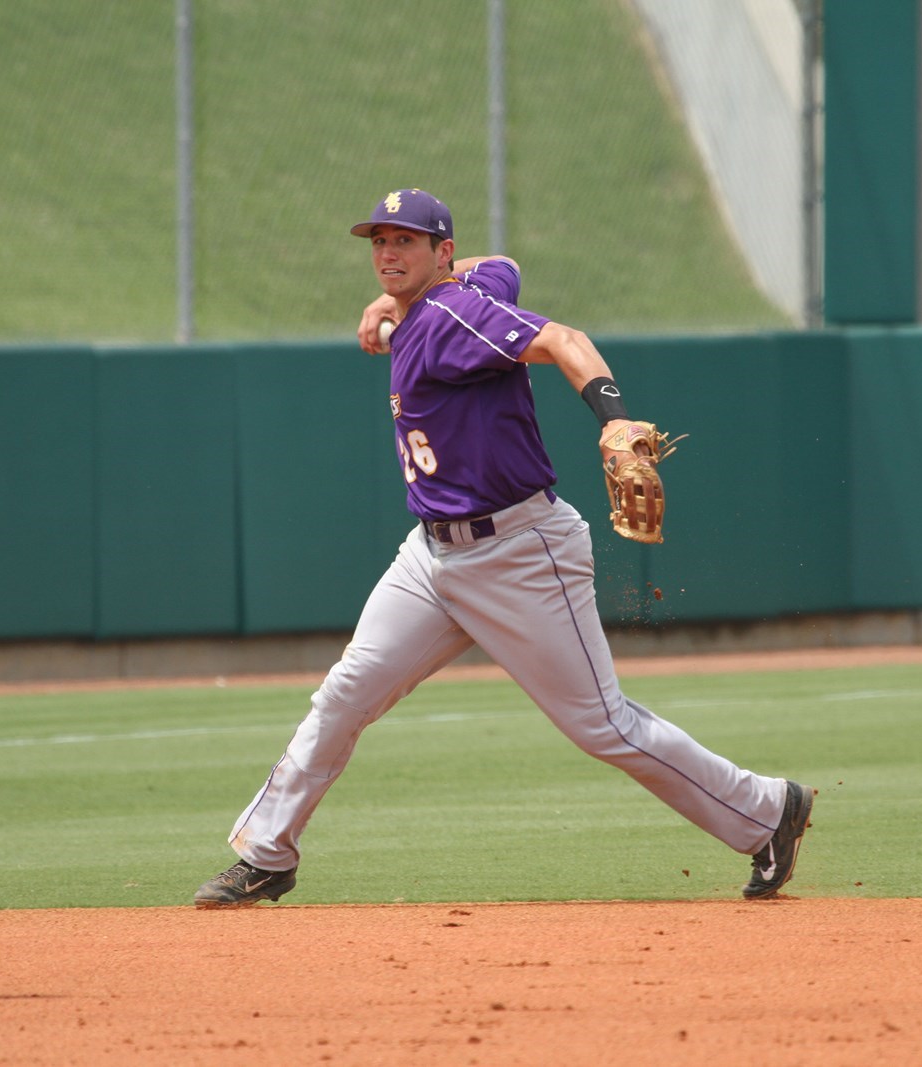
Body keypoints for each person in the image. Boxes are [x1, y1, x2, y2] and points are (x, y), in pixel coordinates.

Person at [195, 189, 813, 908]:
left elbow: (563, 340)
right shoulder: (466, 287)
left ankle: (769, 811)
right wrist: (389, 303)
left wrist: (612, 420)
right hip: (431, 557)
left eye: (407, 242)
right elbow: (505, 263)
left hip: (519, 553)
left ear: (441, 251)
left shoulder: (456, 315)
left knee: (602, 724)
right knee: (344, 693)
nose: (389, 254)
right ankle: (268, 854)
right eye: (380, 243)